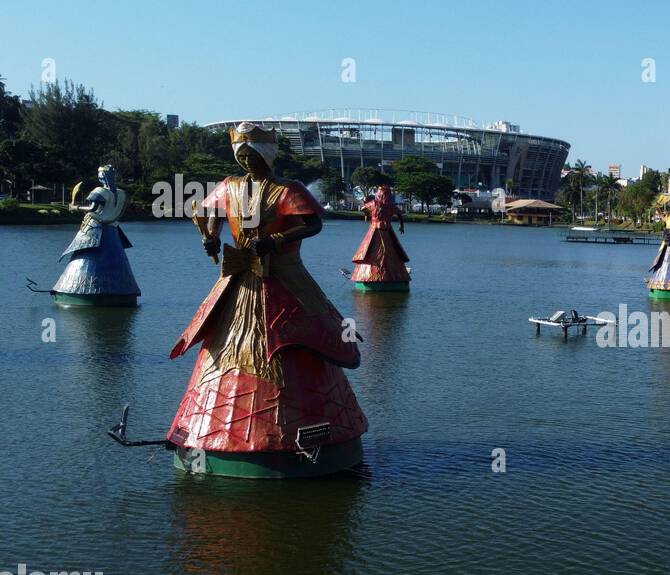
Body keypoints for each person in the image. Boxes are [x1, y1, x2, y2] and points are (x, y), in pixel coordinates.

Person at [166, 123, 367, 477]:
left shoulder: (286, 190)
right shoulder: (230, 186)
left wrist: (275, 241)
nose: (247, 161)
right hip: (239, 282)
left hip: (283, 279)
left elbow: (313, 223)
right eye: (241, 156)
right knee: (221, 342)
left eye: (252, 155)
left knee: (295, 338)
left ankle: (293, 439)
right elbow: (209, 213)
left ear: (267, 155)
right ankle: (213, 434)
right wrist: (210, 238)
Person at [51, 164, 141, 306]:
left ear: (102, 177)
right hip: (112, 234)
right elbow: (120, 213)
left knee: (89, 261)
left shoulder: (100, 191)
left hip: (95, 230)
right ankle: (120, 290)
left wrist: (76, 207)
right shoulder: (122, 194)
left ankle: (77, 292)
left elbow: (93, 208)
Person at [350, 183, 410, 291]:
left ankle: (372, 277)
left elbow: (363, 208)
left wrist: (368, 214)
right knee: (390, 251)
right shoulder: (391, 206)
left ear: (378, 194)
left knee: (373, 251)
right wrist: (401, 226)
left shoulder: (373, 203)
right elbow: (400, 215)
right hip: (387, 231)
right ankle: (394, 276)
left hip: (375, 231)